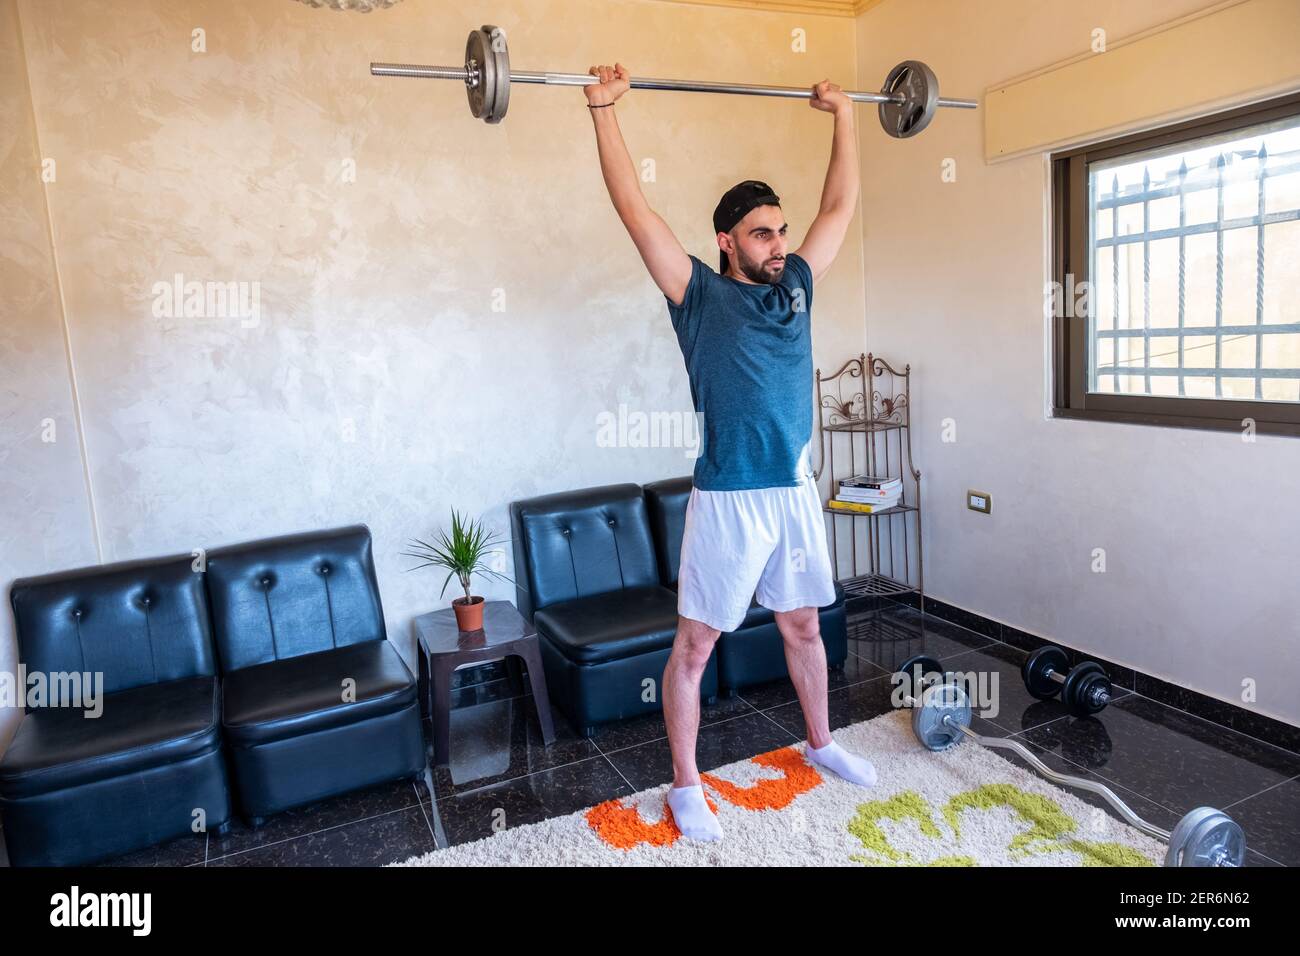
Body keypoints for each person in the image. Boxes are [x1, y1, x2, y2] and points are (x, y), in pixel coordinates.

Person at [585, 62, 876, 842]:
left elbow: (842, 202)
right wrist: (604, 111)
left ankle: (820, 744)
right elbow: (634, 210)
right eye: (762, 233)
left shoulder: (798, 287)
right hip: (729, 497)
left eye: (781, 230)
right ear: (727, 242)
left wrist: (844, 114)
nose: (779, 244)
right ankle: (684, 785)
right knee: (696, 646)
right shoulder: (699, 296)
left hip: (790, 489)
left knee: (805, 627)